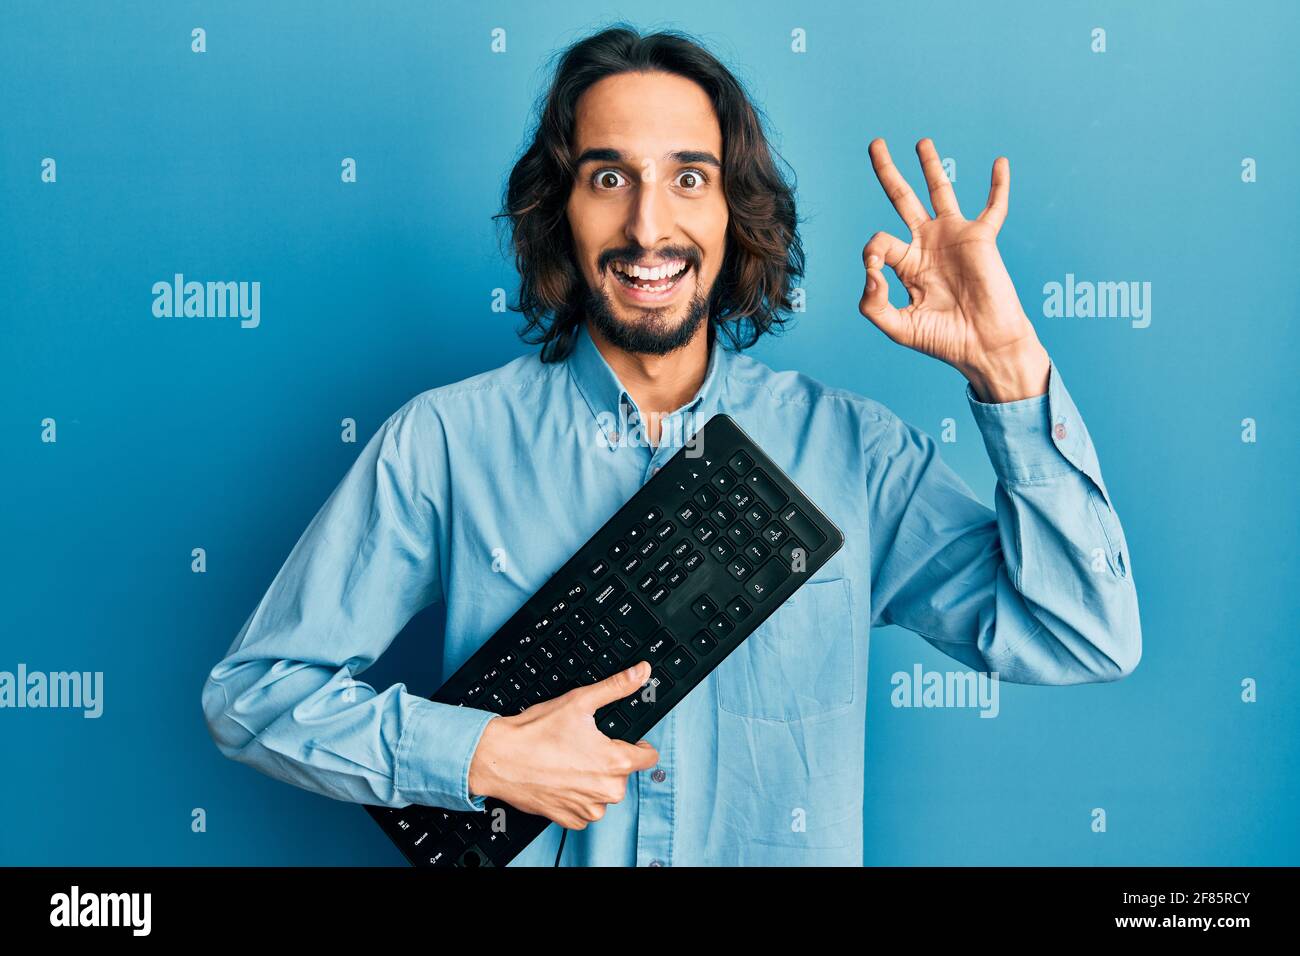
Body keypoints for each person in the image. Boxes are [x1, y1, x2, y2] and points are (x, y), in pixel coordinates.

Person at [202, 26, 1141, 866]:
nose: (649, 227)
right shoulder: (445, 442)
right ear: (558, 210)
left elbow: (1082, 637)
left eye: (689, 178)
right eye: (609, 178)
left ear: (737, 212)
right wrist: (480, 755)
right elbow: (252, 697)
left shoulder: (856, 455)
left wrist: (1011, 368)